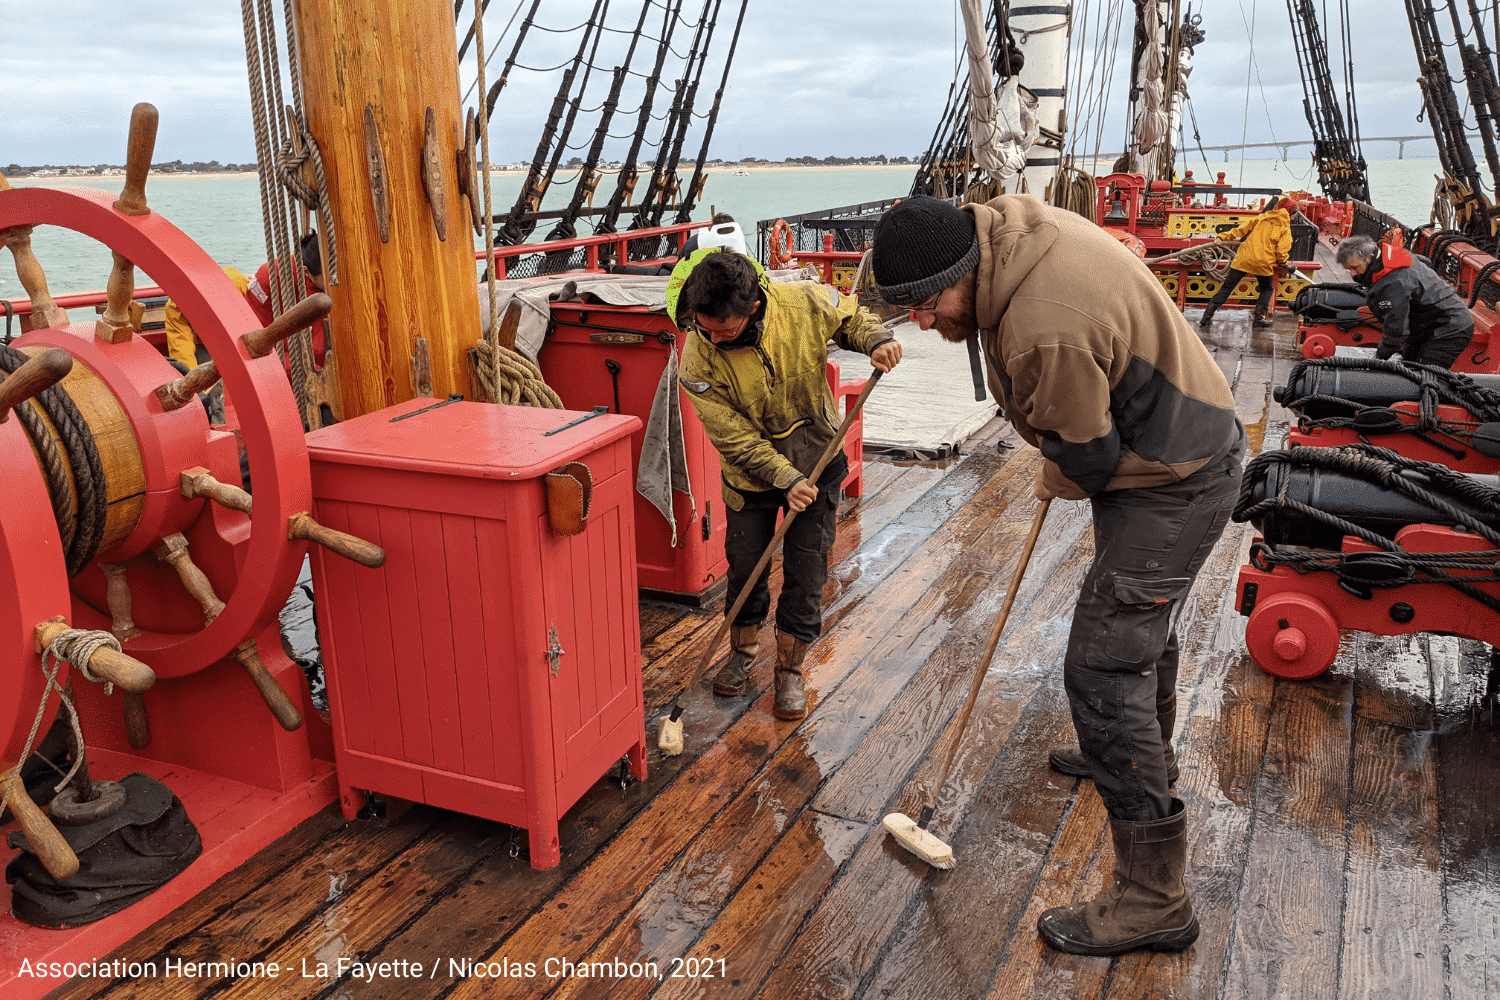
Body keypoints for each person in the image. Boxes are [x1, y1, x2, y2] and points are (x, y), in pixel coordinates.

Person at [870, 194, 1245, 957]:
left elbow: (1090, 457)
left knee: (1106, 670)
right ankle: (1144, 751)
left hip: (1174, 473)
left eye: (925, 303)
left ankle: (1154, 898)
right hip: (1162, 445)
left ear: (963, 271)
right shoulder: (1008, 235)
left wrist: (1058, 467)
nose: (919, 321)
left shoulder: (1043, 324)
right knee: (1138, 633)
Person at [671, 248, 902, 720]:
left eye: (724, 329)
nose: (711, 337)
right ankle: (743, 652)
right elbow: (730, 436)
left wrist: (875, 339)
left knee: (806, 571)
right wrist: (784, 477)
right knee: (746, 567)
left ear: (753, 306)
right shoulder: (697, 358)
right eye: (703, 327)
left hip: (818, 461)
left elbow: (851, 315)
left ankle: (790, 670)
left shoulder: (801, 304)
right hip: (751, 478)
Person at [1334, 233, 1475, 368]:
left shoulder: (1392, 283)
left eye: (1355, 267)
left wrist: (1378, 358)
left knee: (1425, 375)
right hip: (1426, 324)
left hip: (1449, 327)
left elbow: (1396, 329)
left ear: (1370, 258)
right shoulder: (1392, 256)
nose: (1352, 274)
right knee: (1409, 366)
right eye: (1348, 270)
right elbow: (1425, 262)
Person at [1198, 196, 1297, 329]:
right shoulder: (1285, 227)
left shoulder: (1262, 218)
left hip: (1244, 258)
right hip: (1262, 262)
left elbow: (1240, 229)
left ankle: (1206, 317)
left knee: (1226, 289)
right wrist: (1282, 261)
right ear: (1291, 213)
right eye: (1295, 214)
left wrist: (1222, 236)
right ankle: (1259, 319)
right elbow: (1281, 250)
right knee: (1267, 289)